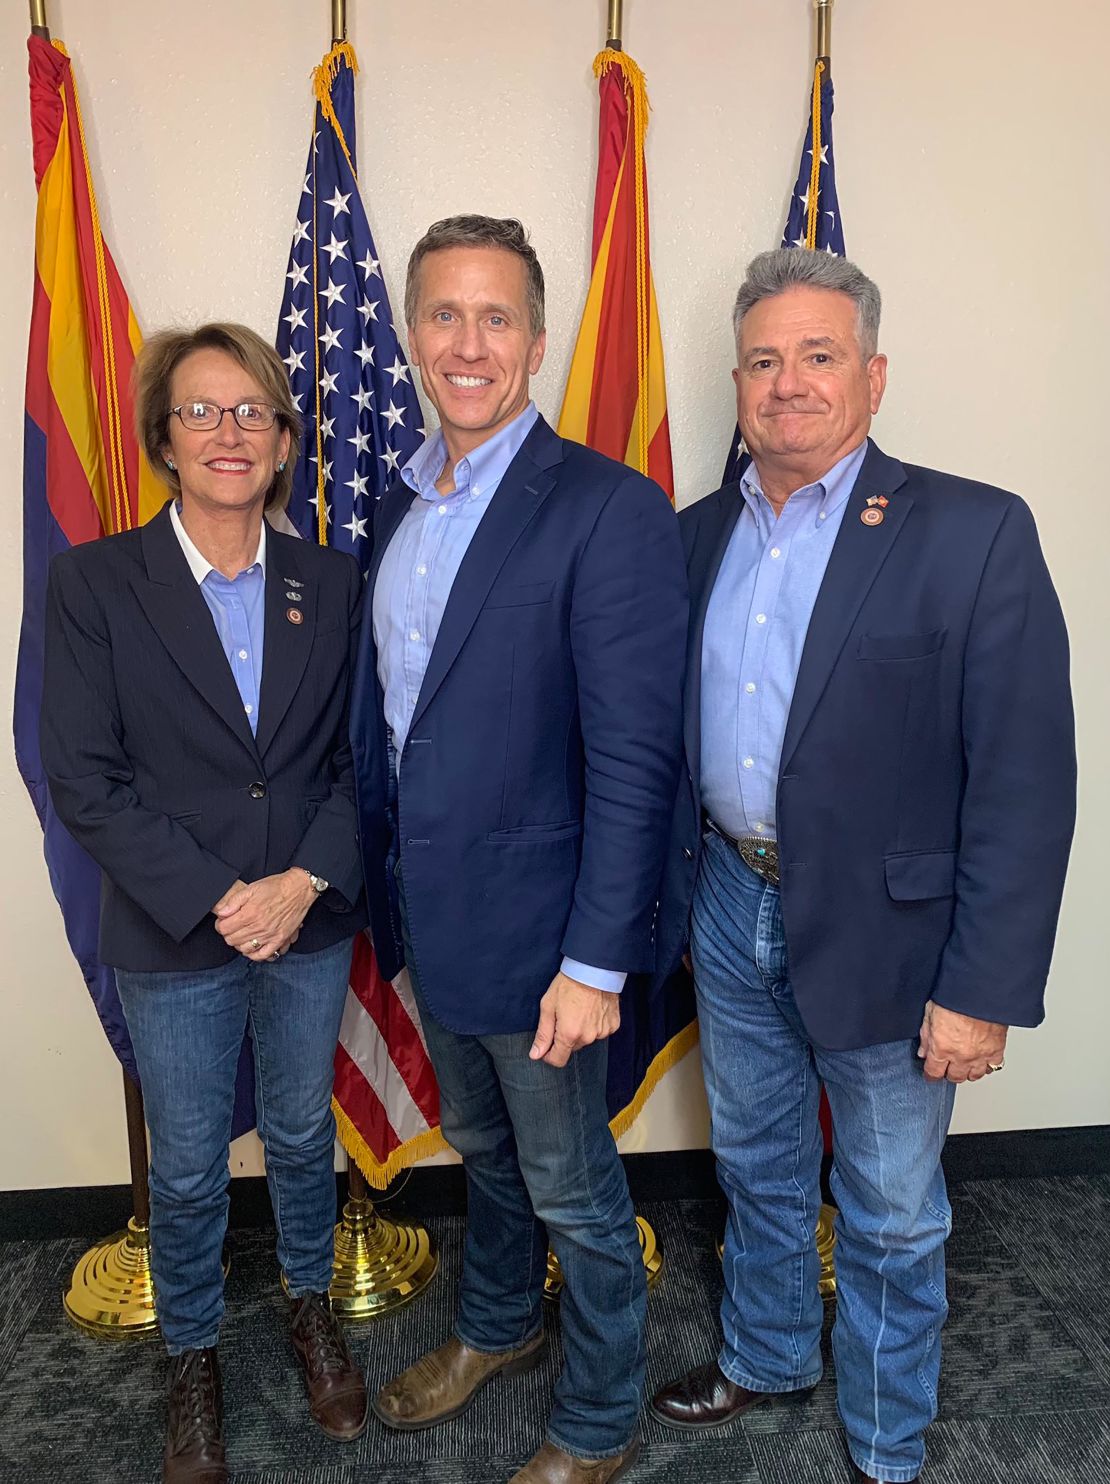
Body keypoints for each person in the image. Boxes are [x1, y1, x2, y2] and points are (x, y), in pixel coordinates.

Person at [648, 249, 1076, 1484]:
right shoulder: (694, 538)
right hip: (731, 898)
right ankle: (772, 1352)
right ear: (737, 382)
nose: (790, 385)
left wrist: (983, 985)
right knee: (758, 1160)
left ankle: (888, 1440)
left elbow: (1023, 779)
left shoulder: (975, 531)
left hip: (896, 934)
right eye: (766, 360)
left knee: (890, 1205)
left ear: (874, 375)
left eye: (819, 355)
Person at [350, 215, 687, 1484]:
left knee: (572, 1182)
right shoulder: (398, 504)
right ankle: (497, 1325)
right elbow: (394, 727)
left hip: (550, 938)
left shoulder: (607, 508)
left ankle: (599, 1416)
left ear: (538, 342)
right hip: (427, 923)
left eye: (497, 316)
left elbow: (636, 756)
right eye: (444, 313)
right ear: (413, 337)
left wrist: (596, 959)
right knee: (484, 1149)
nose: (469, 341)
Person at [40, 323, 369, 1483]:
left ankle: (311, 1304)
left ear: (283, 443)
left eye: (252, 414)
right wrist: (225, 895)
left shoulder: (331, 581)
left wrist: (302, 881)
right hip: (176, 929)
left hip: (308, 917)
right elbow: (81, 774)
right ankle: (192, 1356)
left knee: (295, 1129)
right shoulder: (91, 583)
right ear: (163, 440)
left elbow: (353, 759)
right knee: (183, 1164)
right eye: (201, 412)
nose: (228, 434)